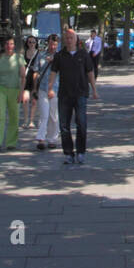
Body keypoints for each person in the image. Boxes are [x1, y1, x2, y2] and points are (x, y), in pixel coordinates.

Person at [48, 25, 97, 165]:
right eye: (67, 38)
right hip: (64, 94)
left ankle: (81, 152)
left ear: (76, 40)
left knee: (81, 123)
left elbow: (90, 72)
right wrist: (50, 88)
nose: (69, 40)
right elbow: (53, 73)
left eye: (71, 38)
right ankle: (68, 153)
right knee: (64, 125)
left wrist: (94, 89)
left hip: (81, 93)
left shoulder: (83, 55)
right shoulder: (59, 56)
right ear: (64, 40)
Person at [0, 36, 27, 152]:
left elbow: (23, 77)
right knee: (0, 115)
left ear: (14, 46)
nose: (9, 46)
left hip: (15, 89)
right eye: (7, 44)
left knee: (14, 116)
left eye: (12, 44)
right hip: (1, 88)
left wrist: (21, 93)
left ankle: (11, 142)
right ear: (4, 45)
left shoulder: (19, 58)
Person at [33, 33, 61, 151]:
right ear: (47, 43)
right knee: (44, 114)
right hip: (43, 88)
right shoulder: (41, 55)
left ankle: (52, 138)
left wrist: (55, 61)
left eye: (55, 45)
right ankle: (41, 138)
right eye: (51, 44)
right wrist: (34, 87)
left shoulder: (60, 57)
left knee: (53, 115)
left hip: (55, 89)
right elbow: (36, 71)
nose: (52, 47)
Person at [22, 35, 40, 127]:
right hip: (26, 77)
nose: (32, 44)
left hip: (35, 77)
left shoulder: (39, 53)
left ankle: (32, 120)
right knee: (25, 99)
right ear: (27, 43)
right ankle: (26, 120)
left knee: (33, 100)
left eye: (33, 42)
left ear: (36, 43)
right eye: (30, 42)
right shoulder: (24, 53)